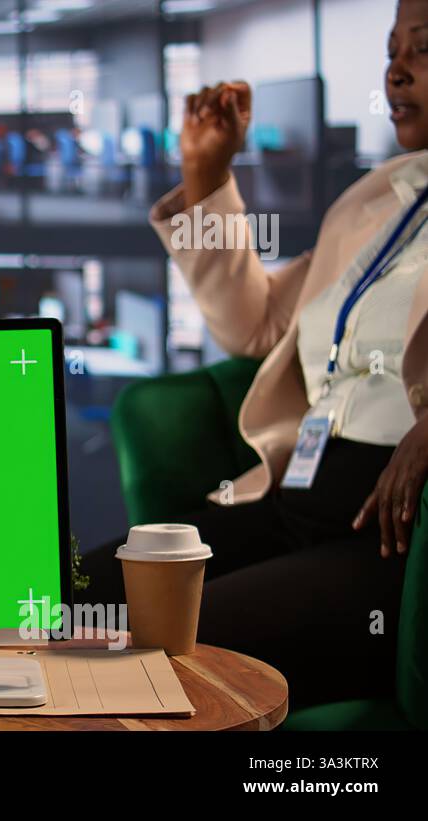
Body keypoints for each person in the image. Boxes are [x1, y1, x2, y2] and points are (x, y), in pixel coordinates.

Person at [80, 0, 428, 709]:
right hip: (293, 494)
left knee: (169, 649)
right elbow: (261, 325)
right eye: (392, 49)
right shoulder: (378, 199)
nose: (395, 69)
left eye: (423, 49)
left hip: (387, 538)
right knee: (62, 596)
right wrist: (207, 177)